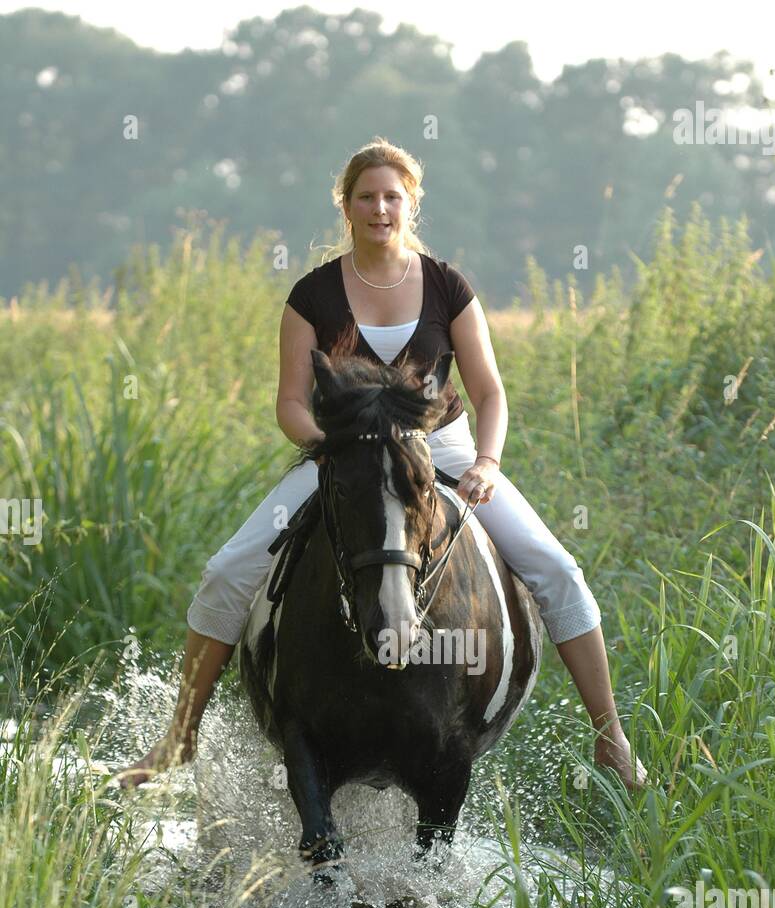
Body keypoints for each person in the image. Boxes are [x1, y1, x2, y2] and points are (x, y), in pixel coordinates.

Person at [116, 137, 647, 792]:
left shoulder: (448, 286)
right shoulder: (312, 294)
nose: (379, 208)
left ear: (410, 203)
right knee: (227, 569)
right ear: (346, 205)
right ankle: (179, 737)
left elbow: (490, 393)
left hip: (442, 450)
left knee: (559, 570)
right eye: (365, 197)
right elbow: (288, 402)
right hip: (343, 454)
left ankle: (610, 737)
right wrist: (337, 444)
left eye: (391, 196)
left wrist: (487, 460)